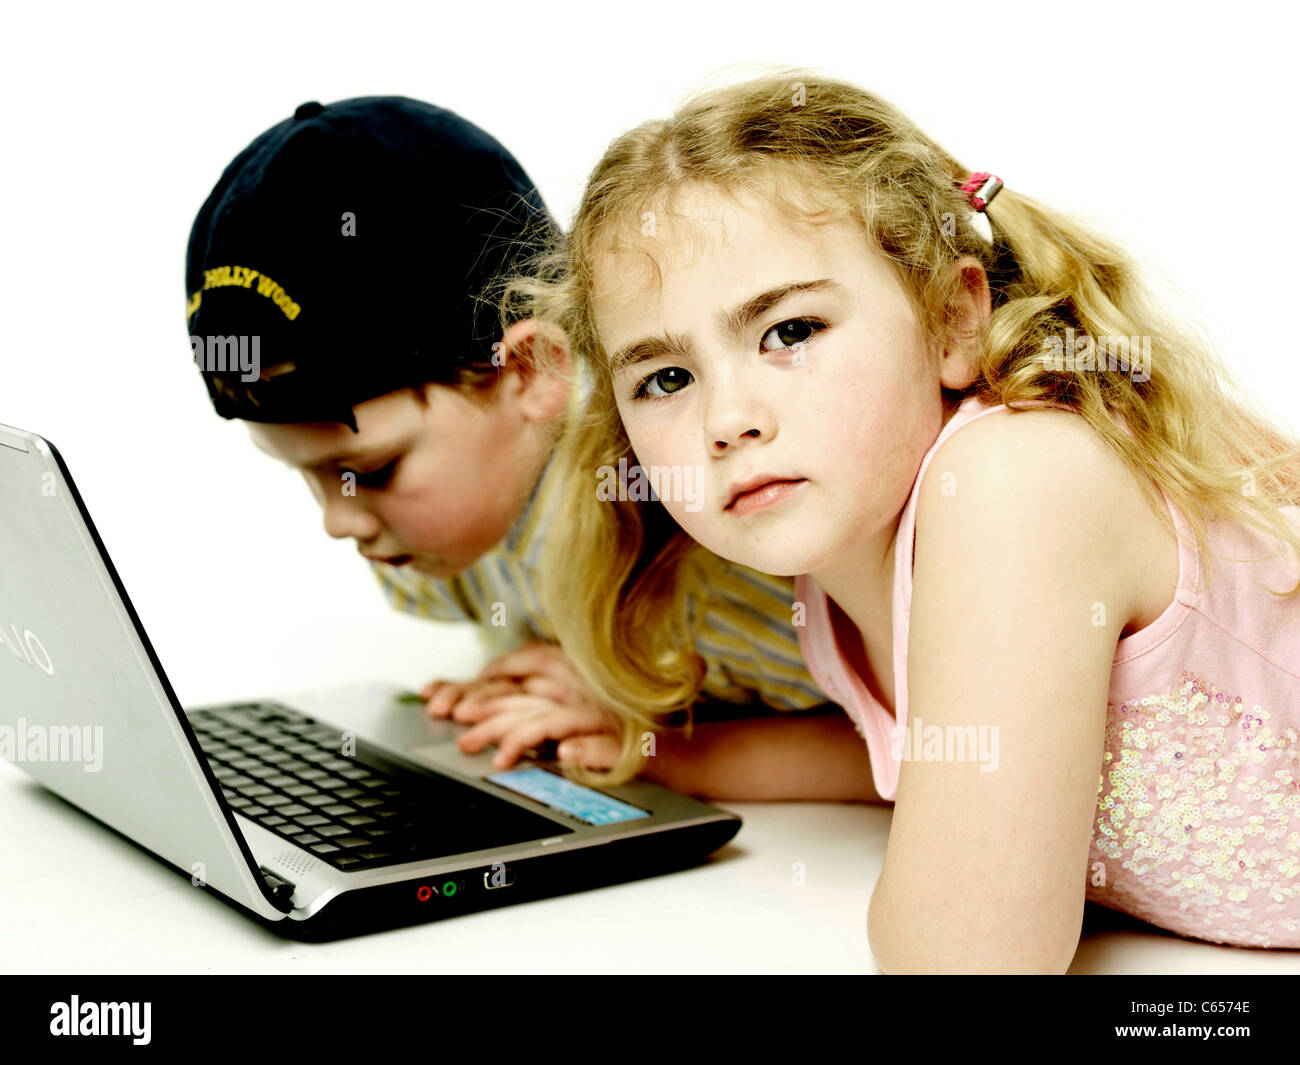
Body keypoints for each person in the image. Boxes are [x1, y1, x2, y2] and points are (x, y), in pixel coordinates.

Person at [501, 70, 1300, 968]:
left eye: (792, 332)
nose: (729, 420)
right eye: (666, 379)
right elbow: (932, 757)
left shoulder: (1015, 481)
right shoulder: (834, 570)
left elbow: (969, 959)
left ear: (955, 318)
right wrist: (662, 753)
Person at [184, 95, 859, 796]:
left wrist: (652, 739)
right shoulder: (452, 540)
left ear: (532, 370)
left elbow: (915, 738)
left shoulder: (718, 512)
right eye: (306, 475)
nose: (340, 518)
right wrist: (573, 677)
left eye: (372, 470)